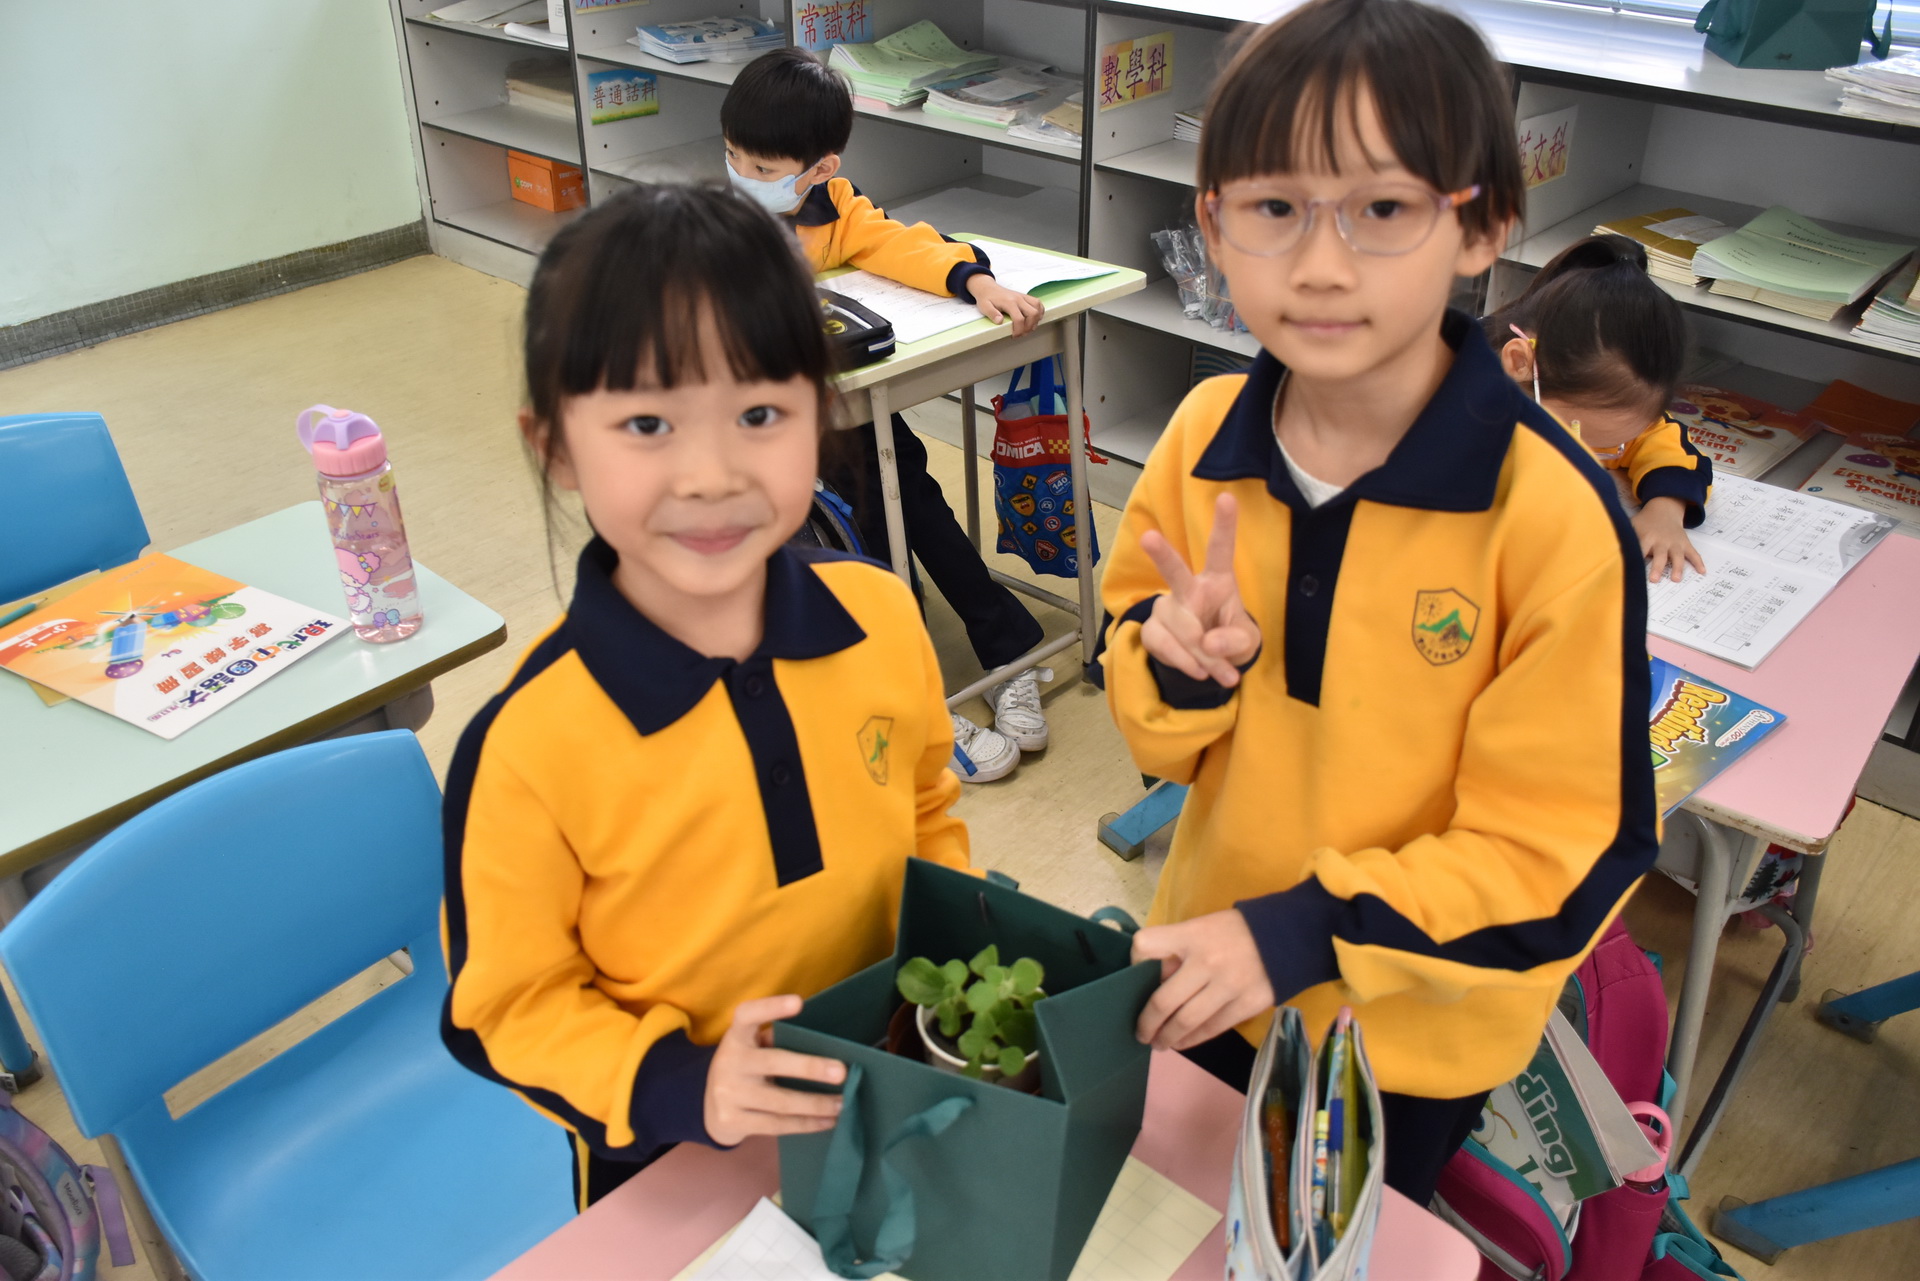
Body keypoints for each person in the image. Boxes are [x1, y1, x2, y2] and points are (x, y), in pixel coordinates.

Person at [1096, 0, 1659, 1206]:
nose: (1320, 263)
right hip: (1211, 959)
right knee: (1174, 1224)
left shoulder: (1551, 518)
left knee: (1325, 1237)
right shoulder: (1203, 439)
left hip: (1404, 1035)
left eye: (1386, 209)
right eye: (1273, 207)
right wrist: (1177, 667)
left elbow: (1556, 855)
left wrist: (1300, 934)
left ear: (1483, 227)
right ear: (1213, 227)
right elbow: (1144, 712)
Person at [439, 184, 971, 1211]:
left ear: (824, 415)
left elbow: (927, 807)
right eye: (647, 422)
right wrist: (682, 1087)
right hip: (673, 1152)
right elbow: (506, 1008)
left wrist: (944, 958)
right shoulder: (527, 745)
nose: (712, 475)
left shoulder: (880, 614)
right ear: (555, 446)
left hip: (886, 1087)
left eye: (761, 414)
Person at [721, 46, 1052, 781]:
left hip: (853, 410)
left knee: (920, 507)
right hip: (769, 440)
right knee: (862, 548)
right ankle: (916, 701)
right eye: (733, 156)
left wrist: (974, 282)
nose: (744, 176)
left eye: (766, 169)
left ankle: (1009, 651)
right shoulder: (713, 225)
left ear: (821, 169)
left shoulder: (833, 208)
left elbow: (900, 245)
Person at [1485, 233, 1710, 582]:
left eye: (1610, 446)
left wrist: (1665, 510)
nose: (1584, 452)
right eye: (1575, 435)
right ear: (1518, 363)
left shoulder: (1609, 411)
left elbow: (1671, 453)